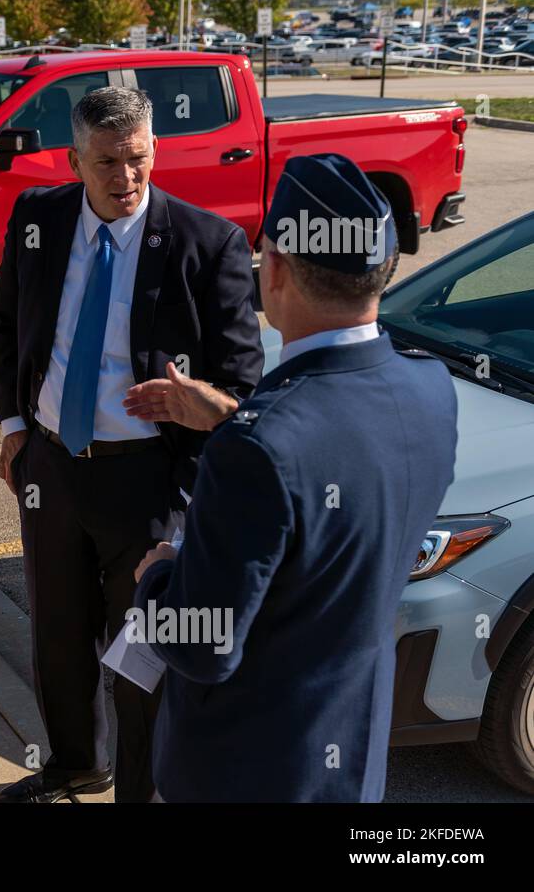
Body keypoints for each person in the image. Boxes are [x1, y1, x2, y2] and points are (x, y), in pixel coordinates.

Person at [130, 153, 458, 801]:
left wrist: (157, 579)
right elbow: (336, 470)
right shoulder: (432, 389)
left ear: (274, 270)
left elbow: (203, 645)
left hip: (244, 772)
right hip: (350, 760)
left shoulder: (257, 445)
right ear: (382, 270)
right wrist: (233, 417)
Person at [0, 86, 262, 803]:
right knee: (56, 636)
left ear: (155, 150)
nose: (126, 177)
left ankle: (139, 794)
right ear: (75, 159)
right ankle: (75, 765)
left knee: (141, 660)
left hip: (148, 481)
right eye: (107, 161)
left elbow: (243, 383)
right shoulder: (37, 219)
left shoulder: (209, 244)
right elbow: (7, 326)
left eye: (138, 158)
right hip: (50, 467)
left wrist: (196, 454)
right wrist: (15, 428)